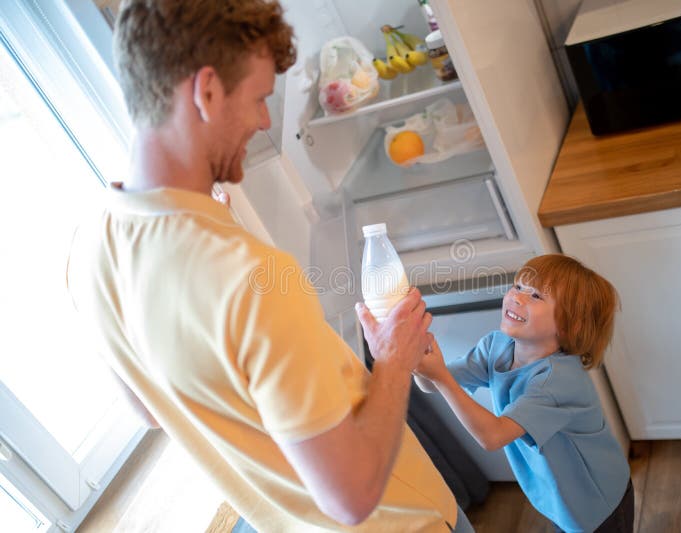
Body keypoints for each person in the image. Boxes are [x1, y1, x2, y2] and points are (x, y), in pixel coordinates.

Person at [66, 1, 472, 531]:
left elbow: (152, 409)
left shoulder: (88, 247)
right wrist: (393, 362)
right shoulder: (247, 277)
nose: (264, 120)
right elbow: (352, 497)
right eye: (259, 98)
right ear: (207, 93)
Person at [414, 254, 633, 532]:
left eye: (536, 296)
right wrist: (417, 357)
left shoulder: (557, 381)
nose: (517, 298)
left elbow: (492, 435)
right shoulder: (497, 346)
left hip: (598, 501)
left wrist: (440, 376)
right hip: (561, 496)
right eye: (518, 286)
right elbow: (430, 384)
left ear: (569, 326)